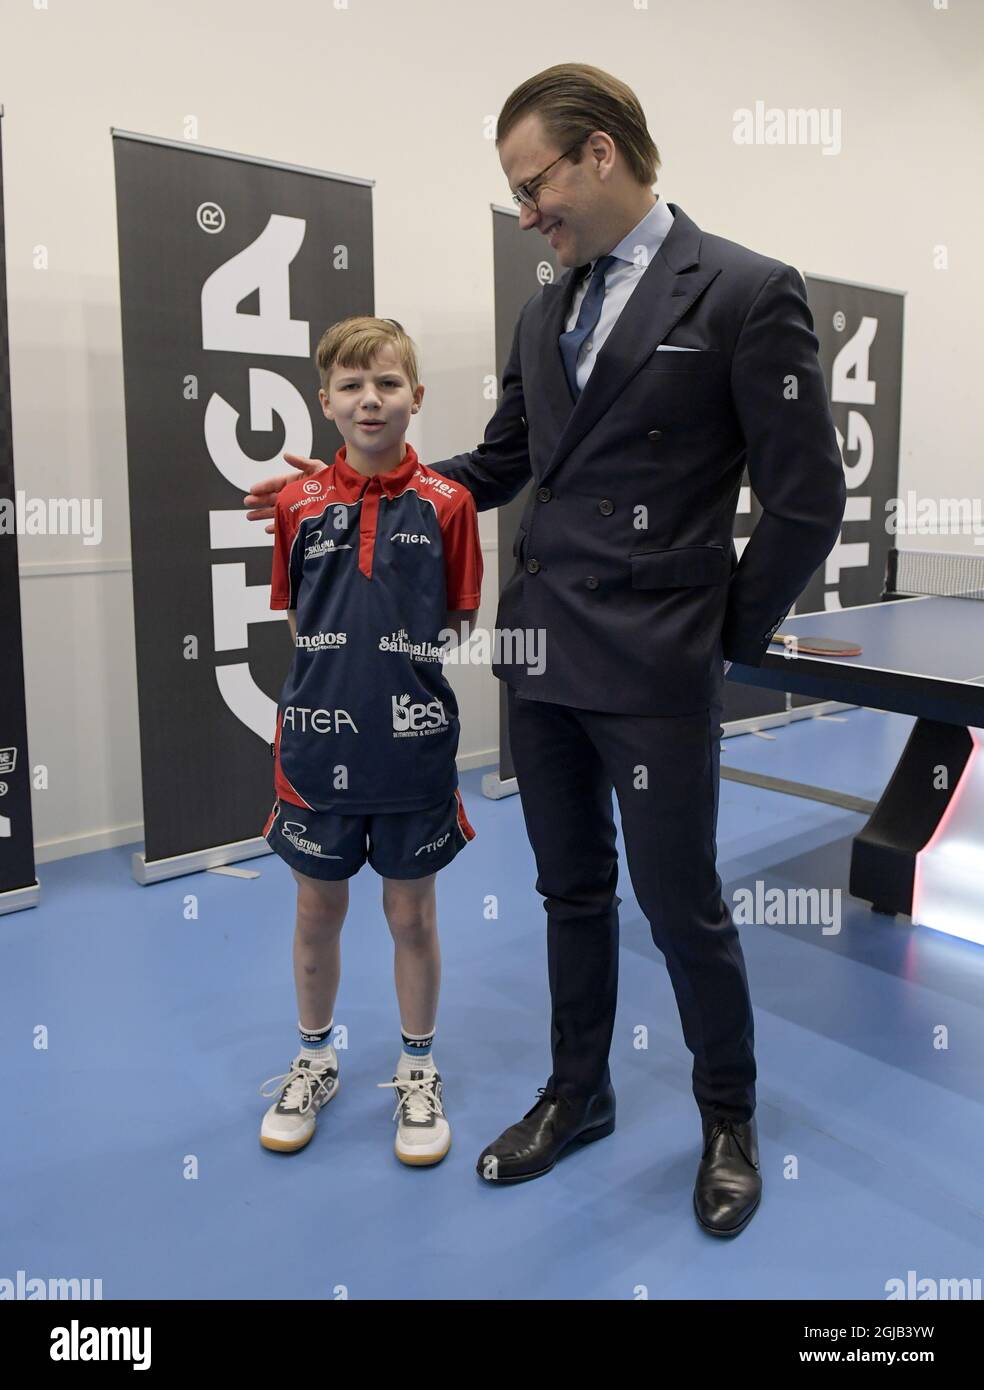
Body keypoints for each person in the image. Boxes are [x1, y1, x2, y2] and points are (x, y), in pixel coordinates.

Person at [245, 64, 846, 1236]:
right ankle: (581, 1093)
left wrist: (718, 636)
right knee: (571, 892)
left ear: (603, 154)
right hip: (541, 652)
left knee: (681, 906)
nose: (526, 212)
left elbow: (807, 500)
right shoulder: (547, 304)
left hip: (661, 664)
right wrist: (356, 488)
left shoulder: (744, 290)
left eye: (534, 185)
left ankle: (729, 1115)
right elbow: (505, 461)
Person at [257, 316, 483, 1166]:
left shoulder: (450, 505)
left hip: (413, 748)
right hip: (315, 746)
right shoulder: (296, 503)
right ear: (325, 403)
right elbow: (297, 616)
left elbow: (459, 618)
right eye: (351, 386)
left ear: (415, 398)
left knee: (410, 912)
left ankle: (418, 1070)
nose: (370, 399)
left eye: (387, 383)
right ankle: (315, 1058)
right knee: (317, 908)